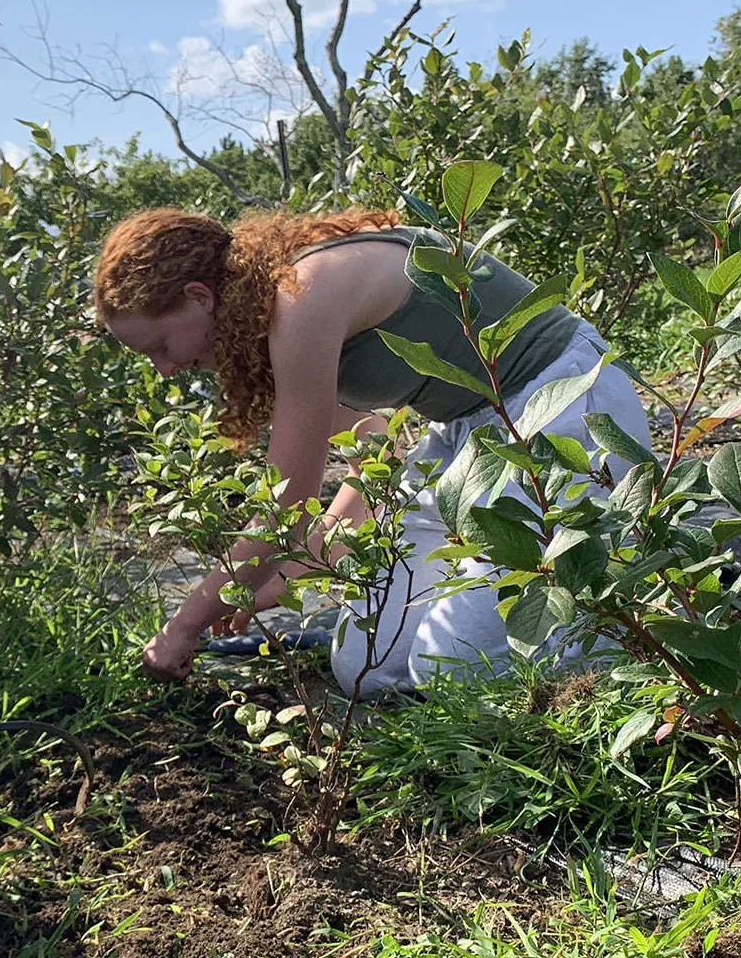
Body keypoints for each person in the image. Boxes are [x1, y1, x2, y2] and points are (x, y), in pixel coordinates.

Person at [92, 207, 652, 696]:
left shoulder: (301, 299)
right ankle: (533, 612)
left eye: (161, 346)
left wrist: (183, 627)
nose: (166, 368)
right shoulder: (265, 324)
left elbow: (283, 510)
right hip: (467, 432)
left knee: (456, 669)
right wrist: (279, 577)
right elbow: (371, 454)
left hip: (563, 400)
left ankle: (640, 638)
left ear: (198, 295)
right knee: (365, 662)